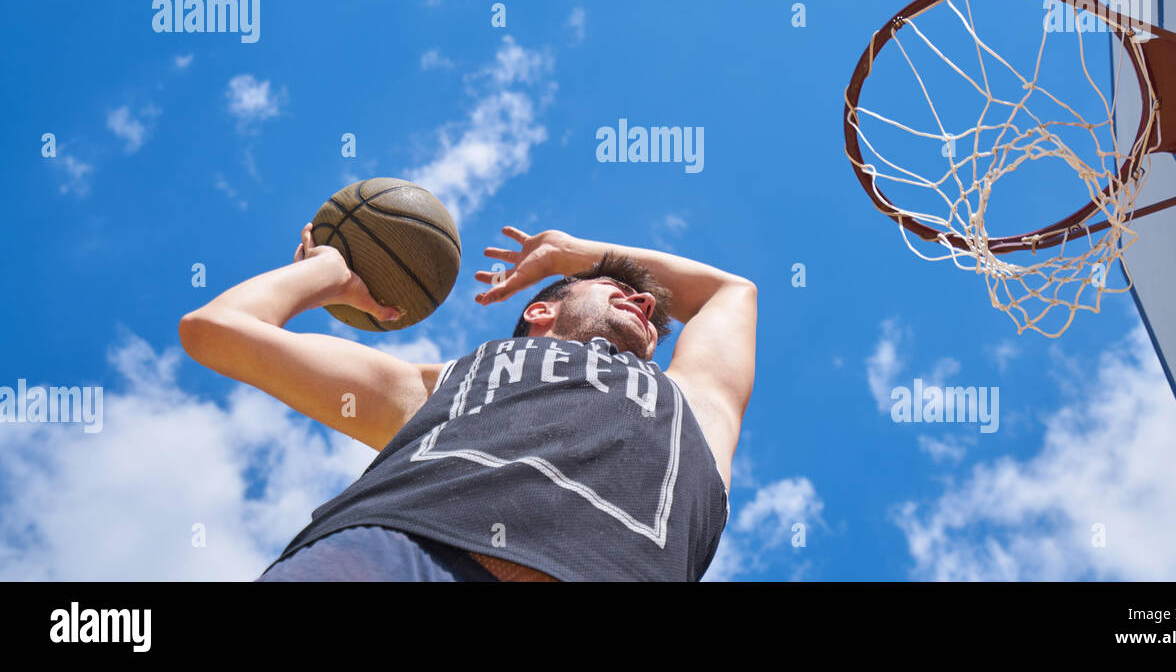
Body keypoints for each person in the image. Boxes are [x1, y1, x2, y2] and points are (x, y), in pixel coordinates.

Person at [178, 224, 756, 581]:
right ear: (539, 310)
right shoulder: (442, 386)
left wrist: (568, 253)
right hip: (386, 555)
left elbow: (731, 291)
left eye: (649, 304)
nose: (643, 303)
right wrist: (328, 273)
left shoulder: (693, 405)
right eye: (617, 290)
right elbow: (217, 330)